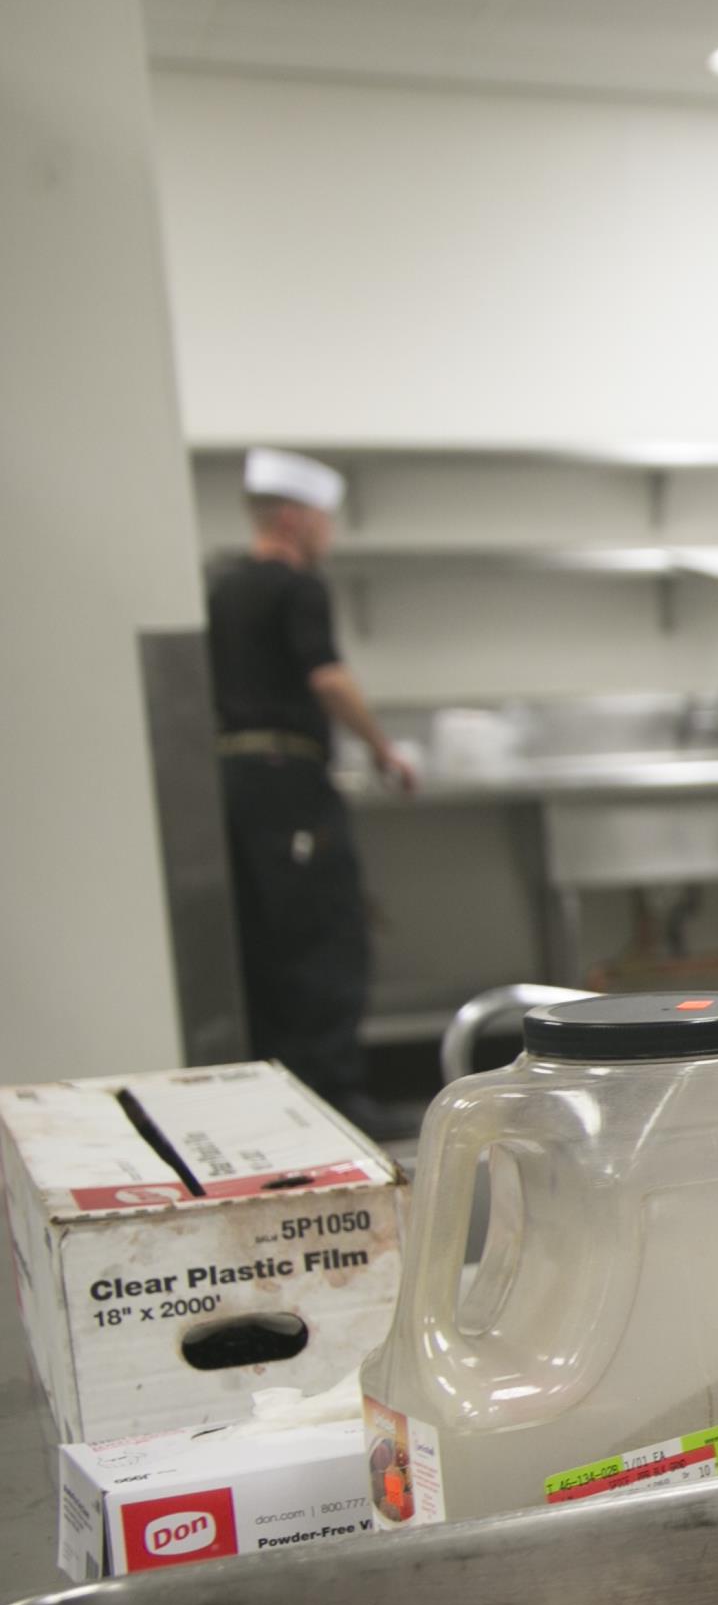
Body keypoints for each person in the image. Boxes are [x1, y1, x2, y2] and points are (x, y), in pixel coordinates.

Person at [209, 448, 415, 1129]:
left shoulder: (223, 587)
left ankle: (281, 1102)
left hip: (234, 783)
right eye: (325, 520)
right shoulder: (298, 588)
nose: (329, 533)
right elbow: (327, 678)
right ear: (295, 519)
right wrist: (385, 750)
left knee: (264, 936)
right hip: (289, 781)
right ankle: (333, 1099)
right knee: (323, 934)